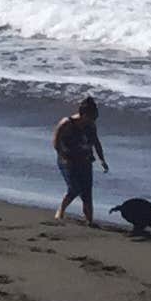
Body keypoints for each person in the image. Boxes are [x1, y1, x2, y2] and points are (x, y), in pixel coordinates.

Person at [52, 94, 108, 224]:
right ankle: (61, 210)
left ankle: (89, 220)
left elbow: (96, 143)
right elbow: (56, 143)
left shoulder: (91, 126)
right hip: (67, 160)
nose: (92, 121)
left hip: (85, 160)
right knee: (74, 188)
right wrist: (64, 156)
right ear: (83, 114)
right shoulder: (66, 123)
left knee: (87, 192)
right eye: (91, 117)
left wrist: (102, 160)